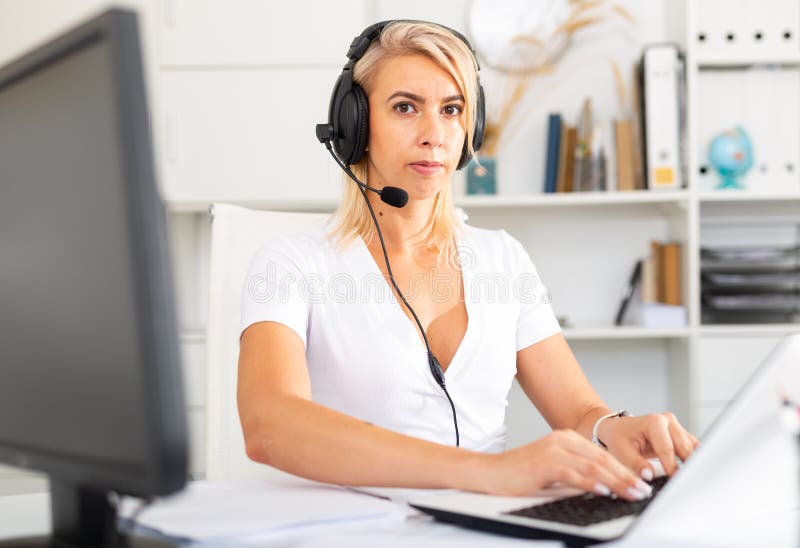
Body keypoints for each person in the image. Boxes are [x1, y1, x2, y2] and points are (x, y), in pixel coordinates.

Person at [237, 20, 698, 502]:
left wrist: (612, 429)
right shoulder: (289, 264)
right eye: (405, 107)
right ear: (355, 126)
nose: (434, 133)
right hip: (351, 530)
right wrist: (483, 471)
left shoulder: (503, 258)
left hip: (483, 528)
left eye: (452, 109)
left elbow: (580, 415)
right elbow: (270, 425)